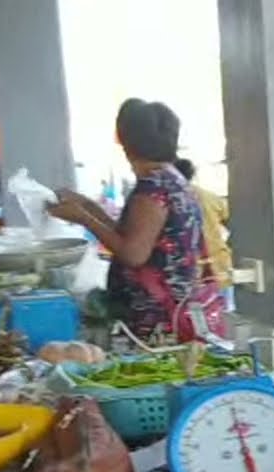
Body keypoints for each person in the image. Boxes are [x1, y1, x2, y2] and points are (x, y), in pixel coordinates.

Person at [48, 98, 208, 339]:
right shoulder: (171, 179)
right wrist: (88, 206)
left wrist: (84, 219)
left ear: (125, 141)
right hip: (169, 309)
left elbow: (134, 253)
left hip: (155, 318)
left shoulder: (153, 188)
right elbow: (135, 235)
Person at [174, 158, 235, 310]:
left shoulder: (169, 200)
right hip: (218, 267)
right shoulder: (210, 198)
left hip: (188, 272)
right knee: (223, 317)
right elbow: (235, 225)